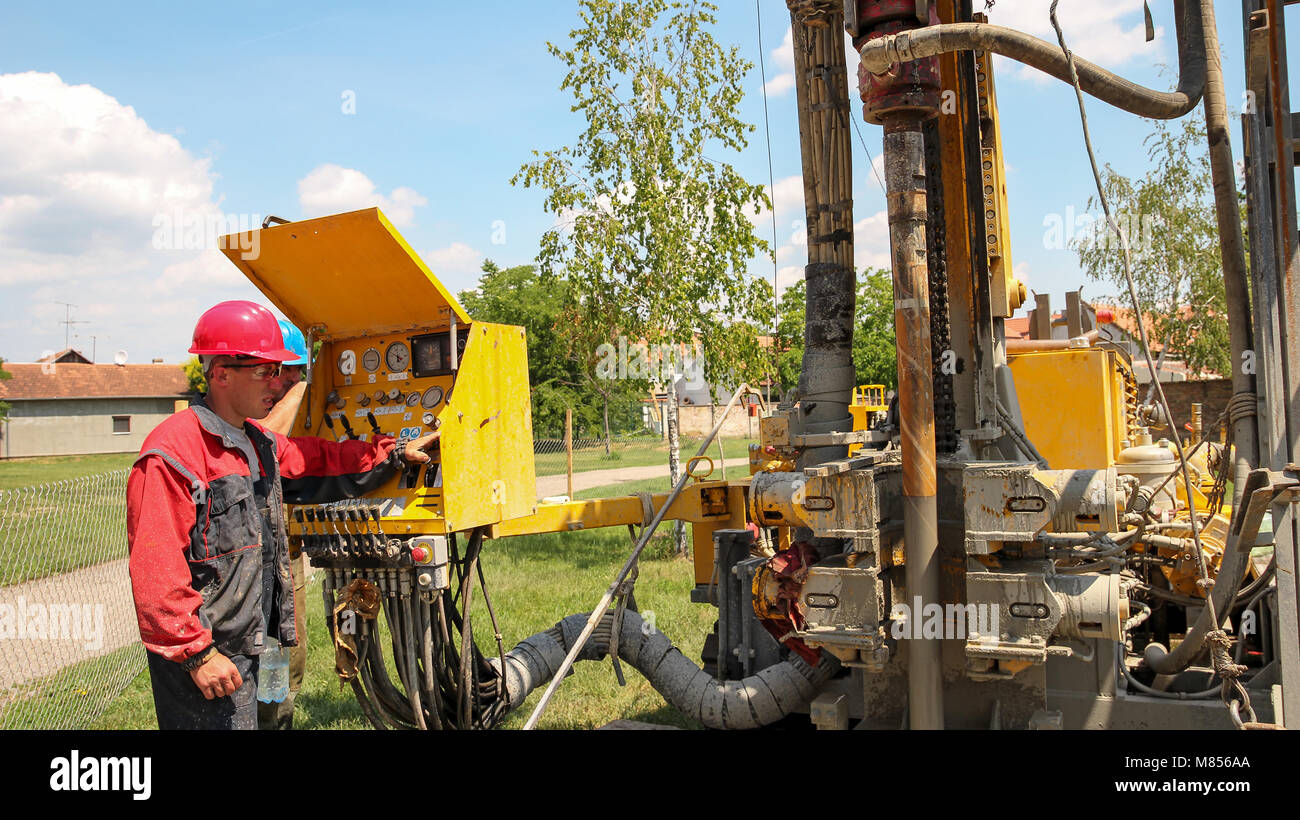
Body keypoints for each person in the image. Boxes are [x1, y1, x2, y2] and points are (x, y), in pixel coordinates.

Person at [127, 301, 435, 730]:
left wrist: (394, 453)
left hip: (246, 645)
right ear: (221, 374)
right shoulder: (173, 454)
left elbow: (320, 462)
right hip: (207, 659)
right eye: (265, 371)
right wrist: (197, 653)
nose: (278, 383)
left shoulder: (258, 443)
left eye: (279, 371)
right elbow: (156, 572)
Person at [256, 318, 310, 730]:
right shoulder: (246, 419)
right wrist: (298, 394)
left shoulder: (296, 410)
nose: (290, 381)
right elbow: (261, 444)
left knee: (289, 657)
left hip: (288, 557)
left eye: (297, 371)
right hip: (249, 568)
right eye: (283, 371)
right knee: (257, 659)